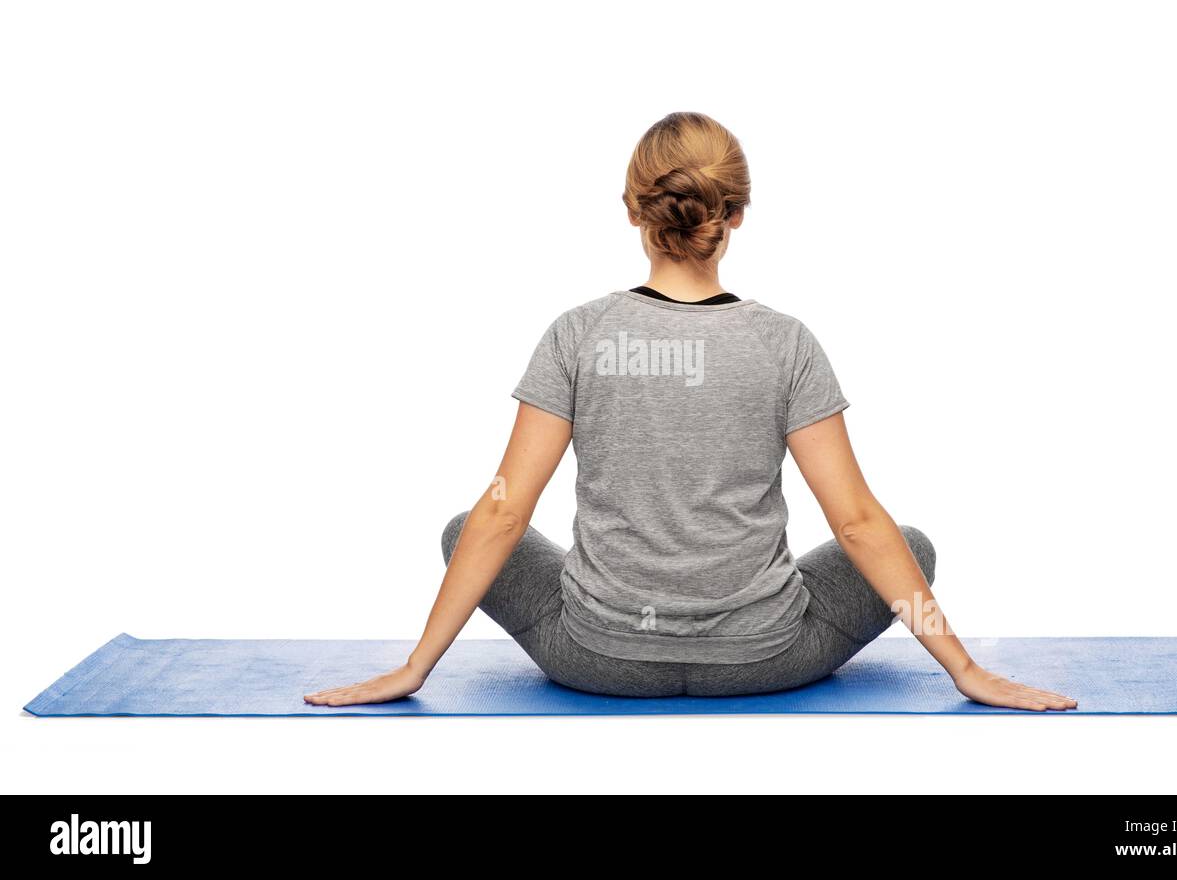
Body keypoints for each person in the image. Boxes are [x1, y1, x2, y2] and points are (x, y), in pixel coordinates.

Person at [305, 112, 1077, 709]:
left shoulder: (579, 334)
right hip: (764, 659)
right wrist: (965, 670)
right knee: (909, 544)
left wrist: (416, 668)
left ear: (633, 210)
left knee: (463, 530)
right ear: (734, 214)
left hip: (599, 659)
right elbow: (858, 526)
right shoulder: (785, 343)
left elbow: (505, 512)